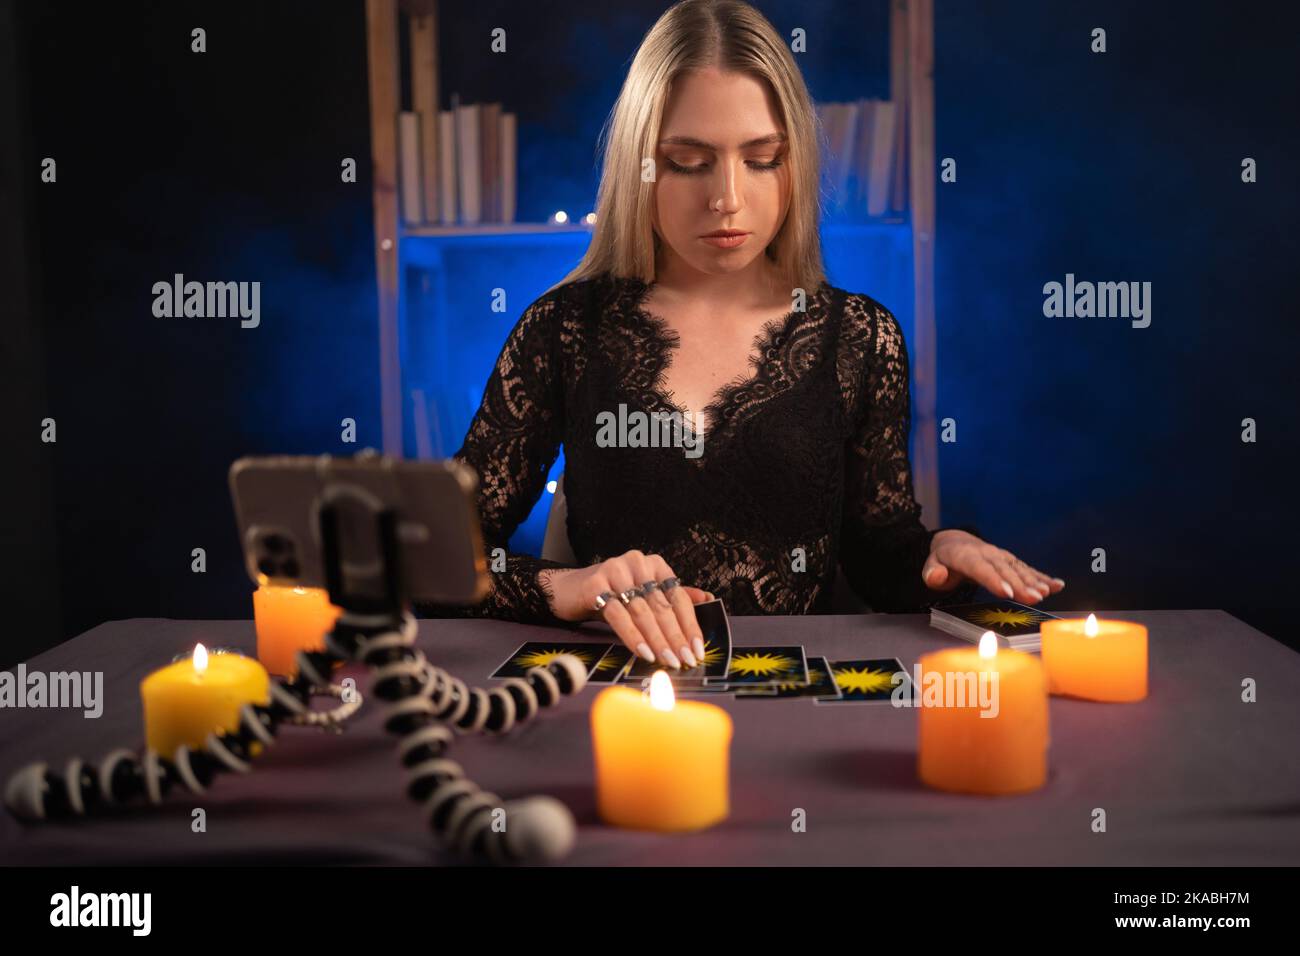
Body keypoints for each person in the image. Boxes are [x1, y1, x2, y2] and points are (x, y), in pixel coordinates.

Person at [417, 0, 1063, 669]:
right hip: (623, 706)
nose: (726, 197)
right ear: (640, 167)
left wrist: (938, 554)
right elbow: (436, 566)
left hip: (797, 710)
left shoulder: (861, 337)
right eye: (690, 161)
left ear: (796, 164)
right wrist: (566, 587)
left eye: (761, 159)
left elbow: (881, 562)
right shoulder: (563, 329)